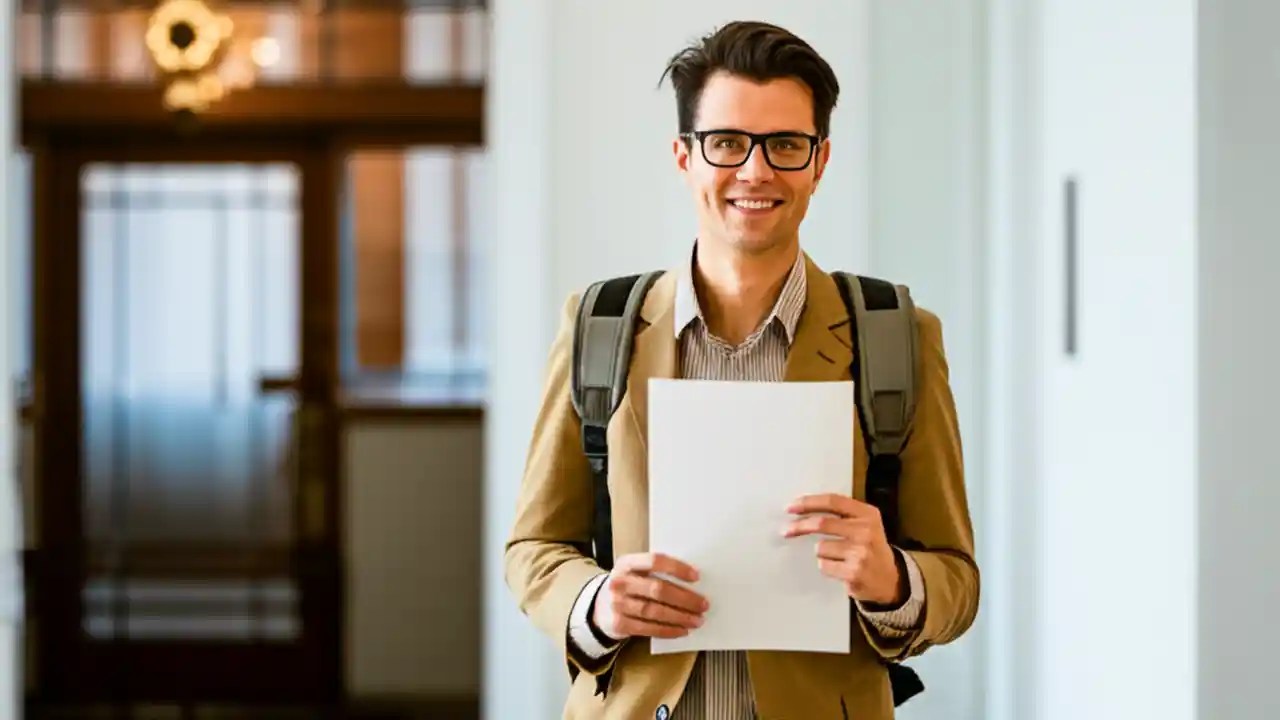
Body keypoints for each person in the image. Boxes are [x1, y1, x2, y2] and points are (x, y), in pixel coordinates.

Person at [504, 20, 979, 720]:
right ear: (684, 156)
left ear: (819, 161)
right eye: (726, 142)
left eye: (785, 145)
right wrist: (597, 601)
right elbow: (535, 547)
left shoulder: (896, 336)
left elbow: (956, 579)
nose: (755, 172)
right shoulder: (599, 326)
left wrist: (894, 579)